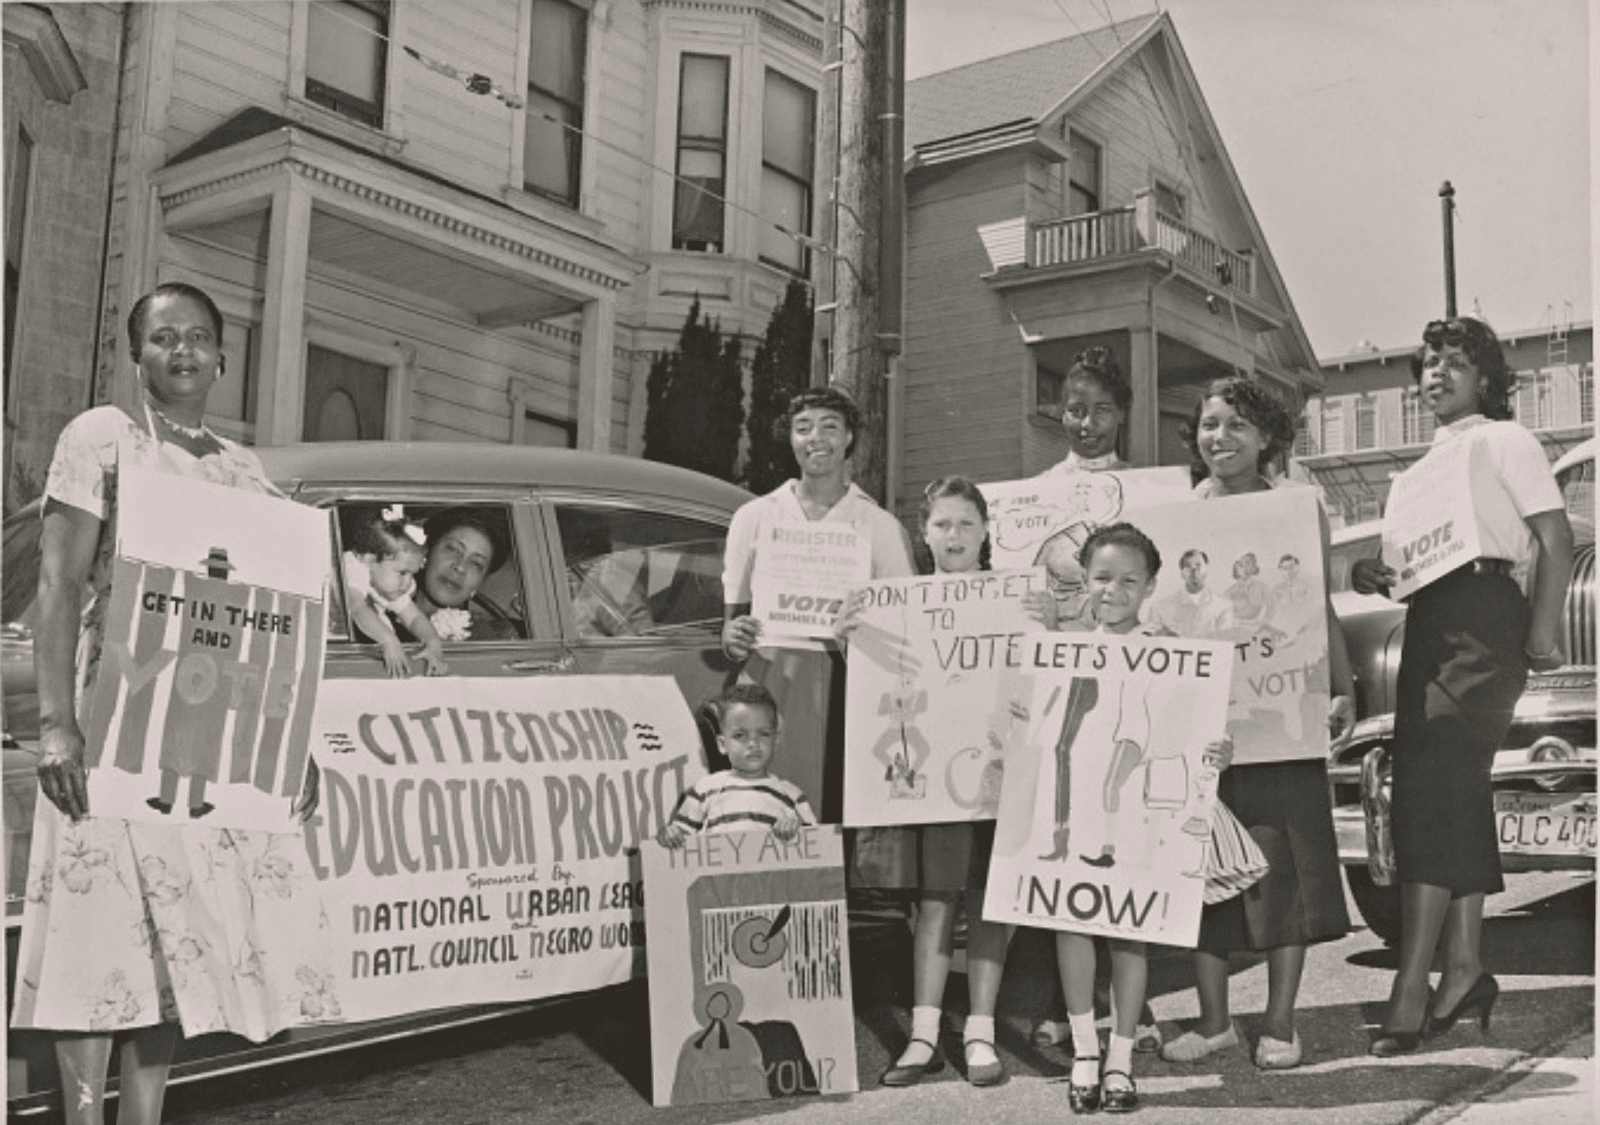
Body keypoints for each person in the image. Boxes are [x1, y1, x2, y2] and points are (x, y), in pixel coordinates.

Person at [16, 282, 330, 1125]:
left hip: (199, 736)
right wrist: (57, 726)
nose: (181, 351)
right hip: (109, 719)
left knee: (169, 946)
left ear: (223, 357)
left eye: (197, 338)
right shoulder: (102, 439)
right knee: (94, 934)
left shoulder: (243, 472)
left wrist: (287, 745)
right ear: (136, 353)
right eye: (162, 338)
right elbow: (58, 580)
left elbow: (269, 623)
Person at [1352, 318, 1573, 1056]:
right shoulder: (1423, 469)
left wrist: (1543, 633)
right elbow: (1405, 563)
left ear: (1486, 377)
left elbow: (1554, 533)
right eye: (1427, 364)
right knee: (1449, 790)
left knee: (1433, 790)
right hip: (1428, 622)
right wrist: (1372, 572)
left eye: (1453, 362)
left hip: (1485, 622)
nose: (1435, 374)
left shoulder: (1505, 439)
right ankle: (1468, 967)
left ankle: (1413, 982)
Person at [1160, 375, 1354, 1071]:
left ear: (1267, 435)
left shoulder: (1298, 507)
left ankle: (1279, 1019)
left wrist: (1343, 685)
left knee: (1284, 866)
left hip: (1282, 713)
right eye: (1210, 424)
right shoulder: (1179, 516)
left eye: (1237, 425)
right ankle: (1214, 1021)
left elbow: (1319, 606)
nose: (1221, 438)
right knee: (1203, 867)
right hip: (1205, 725)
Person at [1043, 523, 1231, 1114]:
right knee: (1071, 922)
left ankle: (1120, 1058)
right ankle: (1083, 1052)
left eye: (1129, 580)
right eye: (1101, 578)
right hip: (1073, 800)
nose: (1113, 590)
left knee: (1130, 930)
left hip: (1136, 798)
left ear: (1150, 585)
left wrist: (1220, 750)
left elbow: (1195, 727)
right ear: (1084, 581)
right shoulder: (1063, 646)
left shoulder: (1172, 648)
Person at [871, 478, 1046, 1090]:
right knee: (937, 902)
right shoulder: (902, 602)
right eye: (942, 525)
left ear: (986, 531)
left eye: (966, 524)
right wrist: (853, 633)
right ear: (923, 534)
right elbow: (880, 682)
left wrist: (1049, 623)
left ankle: (979, 1029)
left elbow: (1050, 667)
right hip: (937, 777)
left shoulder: (1015, 597)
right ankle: (922, 1033)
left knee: (992, 900)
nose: (954, 536)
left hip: (1001, 771)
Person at [1028, 352, 1164, 1056]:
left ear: (1123, 413)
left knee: (1126, 832)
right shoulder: (1037, 495)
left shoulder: (1147, 489)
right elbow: (1030, 584)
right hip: (1069, 678)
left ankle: (1132, 1006)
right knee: (1070, 826)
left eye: (1101, 410)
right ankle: (1070, 1004)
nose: (1085, 422)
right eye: (1074, 408)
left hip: (1133, 679)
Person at [719, 386, 915, 874]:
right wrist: (732, 636)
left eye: (830, 426)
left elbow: (905, 617)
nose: (816, 439)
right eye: (804, 428)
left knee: (826, 817)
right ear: (791, 438)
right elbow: (731, 620)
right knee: (758, 808)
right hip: (770, 674)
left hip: (845, 679)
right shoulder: (755, 516)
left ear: (849, 438)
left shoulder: (879, 525)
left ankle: (822, 931)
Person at [659, 683, 816, 845]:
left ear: (775, 740)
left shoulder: (791, 796)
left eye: (764, 734)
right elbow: (680, 837)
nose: (753, 743)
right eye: (740, 735)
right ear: (722, 744)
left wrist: (794, 830)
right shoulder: (705, 789)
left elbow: (817, 843)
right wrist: (671, 835)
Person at [339, 503, 449, 676]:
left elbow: (413, 617)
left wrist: (433, 642)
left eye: (412, 574)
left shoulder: (387, 580)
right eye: (402, 573)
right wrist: (388, 641)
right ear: (369, 559)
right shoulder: (353, 567)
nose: (407, 583)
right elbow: (357, 608)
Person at [405, 506, 521, 642]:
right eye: (453, 549)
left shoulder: (493, 638)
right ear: (427, 551)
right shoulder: (378, 616)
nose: (460, 567)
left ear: (480, 583)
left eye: (476, 563)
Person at [1044, 346, 1133, 474]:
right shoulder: (1043, 487)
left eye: (1101, 410)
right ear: (1063, 415)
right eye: (1076, 411)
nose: (1087, 424)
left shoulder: (1139, 486)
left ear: (1120, 414)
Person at [1146, 548, 1227, 637]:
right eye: (1188, 567)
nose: (1194, 572)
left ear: (1206, 569)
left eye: (1198, 566)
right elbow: (1150, 640)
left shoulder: (1222, 607)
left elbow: (1226, 644)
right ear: (1182, 573)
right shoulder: (1160, 607)